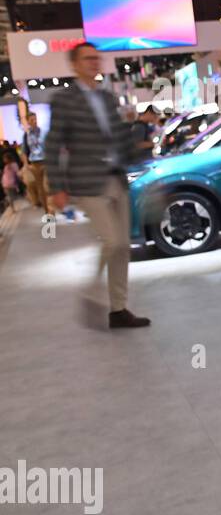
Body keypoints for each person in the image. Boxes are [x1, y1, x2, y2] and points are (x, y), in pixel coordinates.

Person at [47, 43, 150, 329]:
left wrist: (141, 153)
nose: (94, 62)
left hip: (116, 178)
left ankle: (118, 309)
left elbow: (119, 138)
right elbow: (53, 143)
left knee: (124, 247)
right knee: (112, 241)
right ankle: (92, 291)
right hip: (88, 181)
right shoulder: (64, 100)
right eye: (88, 59)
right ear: (74, 65)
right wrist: (56, 186)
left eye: (97, 58)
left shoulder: (107, 98)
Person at [21, 110, 52, 217]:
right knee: (40, 189)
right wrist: (26, 165)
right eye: (32, 120)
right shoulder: (26, 135)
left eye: (35, 119)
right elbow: (24, 151)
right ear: (28, 122)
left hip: (45, 161)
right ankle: (47, 211)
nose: (34, 121)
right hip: (34, 163)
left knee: (47, 186)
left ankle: (51, 208)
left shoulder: (43, 132)